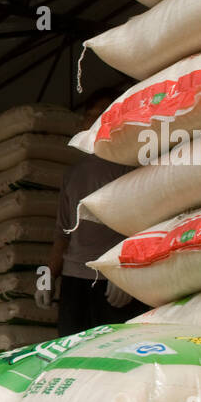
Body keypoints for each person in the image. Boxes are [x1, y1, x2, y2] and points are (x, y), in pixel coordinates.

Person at [41, 91, 149, 334]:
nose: (91, 121)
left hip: (111, 279)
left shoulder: (131, 166)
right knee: (71, 351)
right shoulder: (72, 174)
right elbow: (62, 236)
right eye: (88, 116)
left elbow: (144, 224)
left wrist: (126, 272)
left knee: (115, 350)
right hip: (74, 280)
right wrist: (46, 279)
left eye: (99, 115)